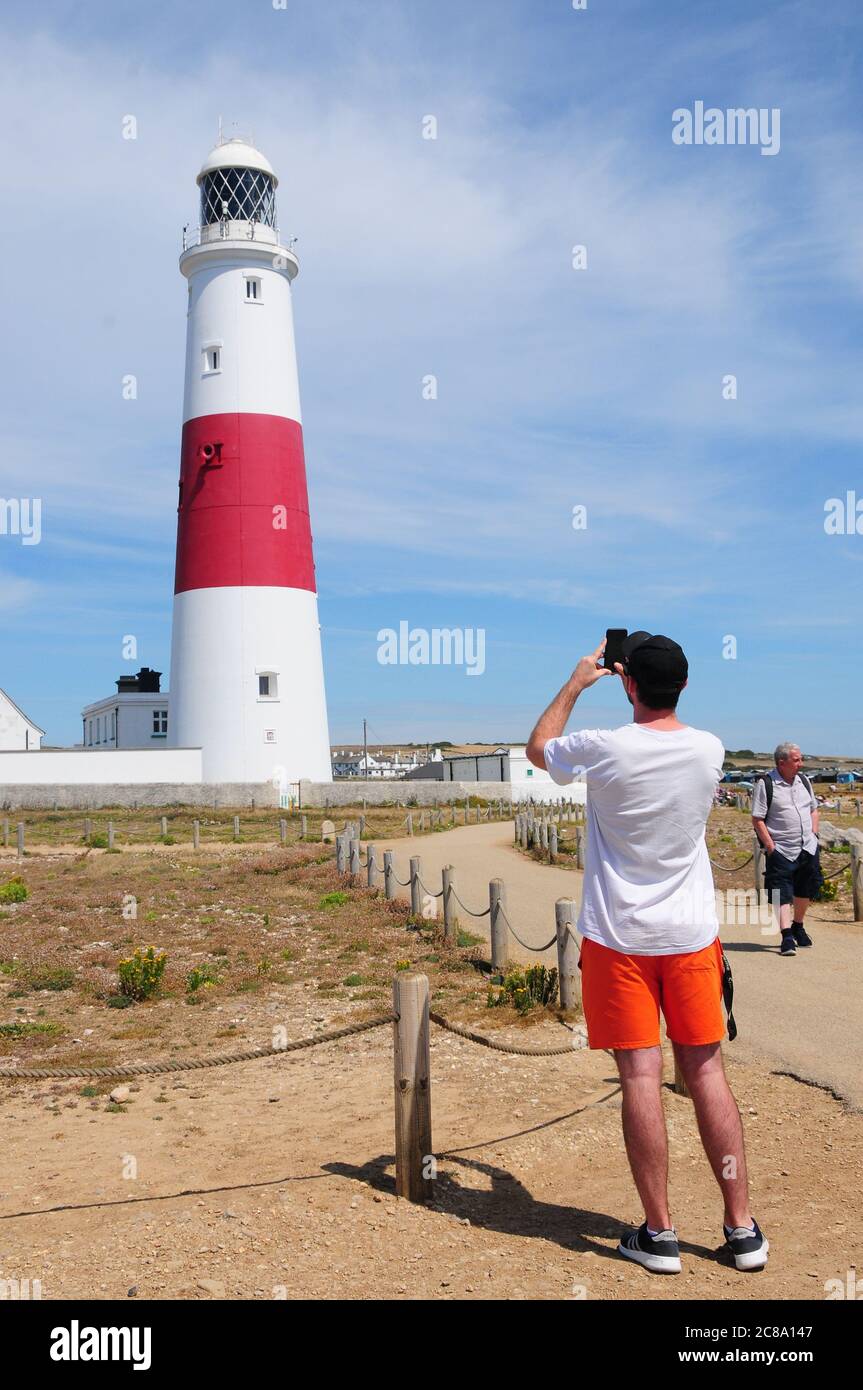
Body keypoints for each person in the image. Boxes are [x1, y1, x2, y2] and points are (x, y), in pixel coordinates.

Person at [525, 633, 768, 1275]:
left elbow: (537, 750)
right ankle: (741, 1229)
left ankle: (659, 1234)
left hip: (618, 938)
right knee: (708, 1073)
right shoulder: (710, 750)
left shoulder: (604, 748)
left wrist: (578, 681)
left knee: (639, 1077)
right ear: (683, 686)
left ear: (626, 682)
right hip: (691, 936)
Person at [751, 742, 820, 957]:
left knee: (805, 889)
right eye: (797, 760)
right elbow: (758, 818)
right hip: (781, 849)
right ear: (782, 762)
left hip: (807, 847)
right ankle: (786, 935)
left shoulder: (804, 781)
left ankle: (798, 925)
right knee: (781, 893)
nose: (801, 763)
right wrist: (771, 847)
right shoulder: (766, 784)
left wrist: (814, 836)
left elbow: (813, 810)